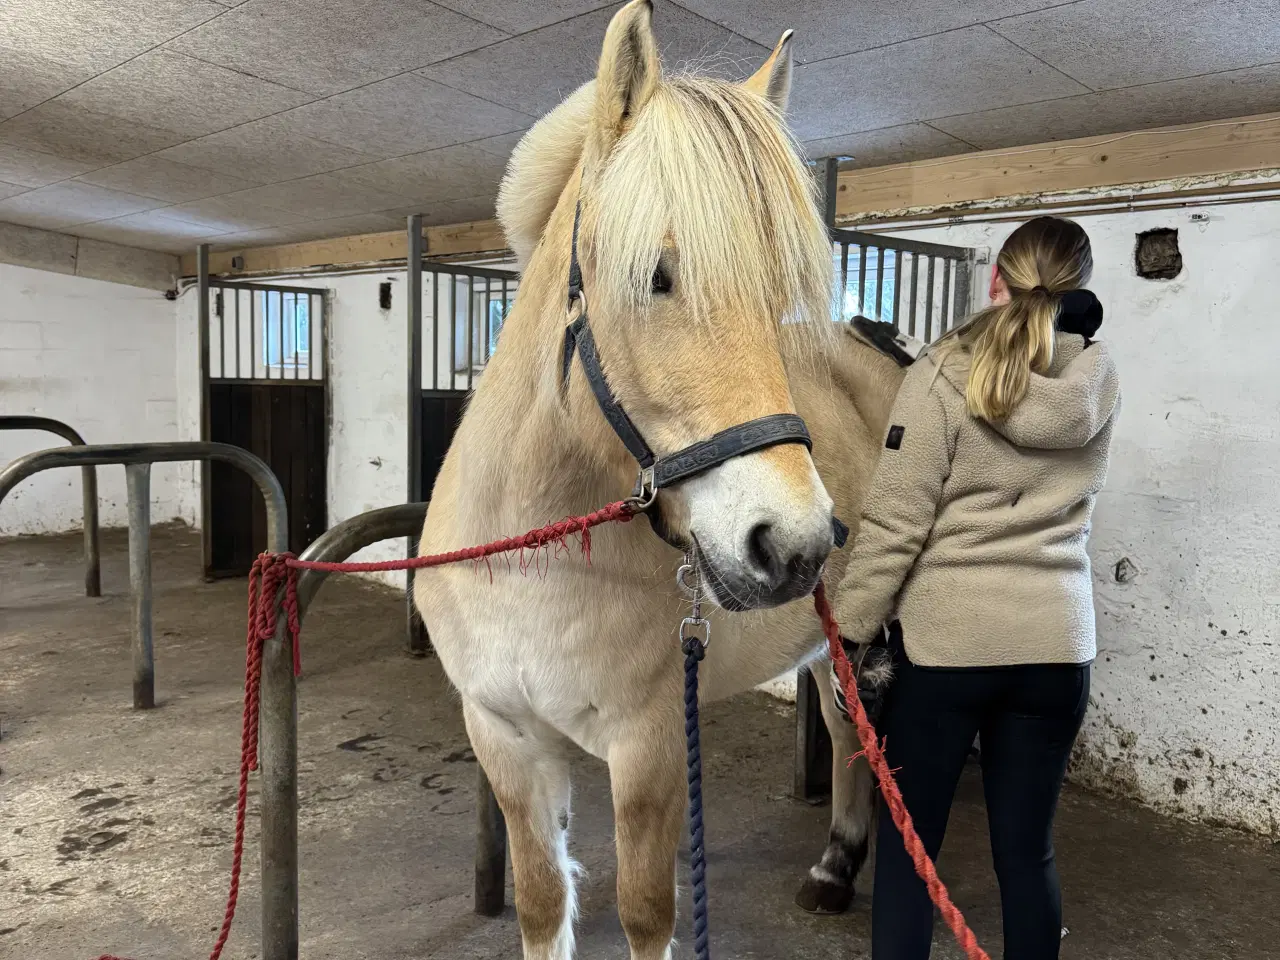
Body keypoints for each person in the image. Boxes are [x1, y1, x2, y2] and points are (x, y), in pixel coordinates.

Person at [831, 216, 1120, 960]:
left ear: (997, 278)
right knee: (1028, 855)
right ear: (1078, 285)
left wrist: (850, 633)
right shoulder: (1098, 377)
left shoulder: (943, 370)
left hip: (947, 652)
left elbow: (896, 522)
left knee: (911, 857)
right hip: (1057, 647)